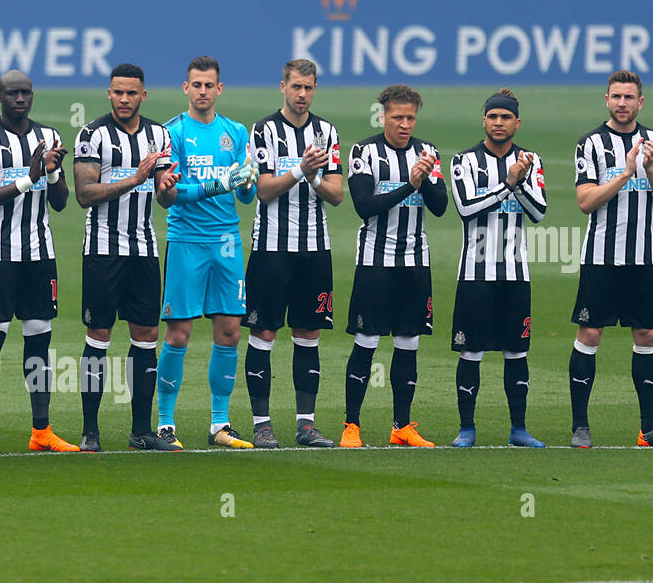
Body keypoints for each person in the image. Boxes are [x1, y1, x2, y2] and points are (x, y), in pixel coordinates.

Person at [0, 70, 77, 454]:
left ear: (33, 96)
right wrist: (28, 179)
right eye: (12, 93)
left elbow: (61, 202)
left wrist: (53, 170)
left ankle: (41, 431)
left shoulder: (48, 138)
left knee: (39, 342)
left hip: (38, 254)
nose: (20, 99)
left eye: (25, 93)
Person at [569, 69, 653, 448]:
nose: (622, 103)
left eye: (628, 97)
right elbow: (585, 202)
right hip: (601, 257)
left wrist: (648, 167)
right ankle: (580, 426)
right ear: (606, 100)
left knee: (647, 333)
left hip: (644, 257)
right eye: (616, 96)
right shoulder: (590, 144)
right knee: (590, 332)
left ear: (640, 102)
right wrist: (625, 172)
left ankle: (649, 428)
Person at [72, 62, 178, 452]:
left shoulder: (159, 134)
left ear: (143, 95)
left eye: (131, 93)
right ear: (109, 93)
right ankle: (90, 430)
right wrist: (135, 178)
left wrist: (165, 185)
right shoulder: (92, 134)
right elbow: (85, 194)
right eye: (117, 92)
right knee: (99, 335)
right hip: (103, 249)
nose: (123, 99)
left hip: (144, 250)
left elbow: (166, 197)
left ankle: (141, 431)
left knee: (147, 337)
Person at [154, 56, 259, 449]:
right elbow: (169, 195)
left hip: (227, 241)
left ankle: (220, 424)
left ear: (219, 89)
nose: (202, 91)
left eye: (208, 85)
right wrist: (217, 184)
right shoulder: (172, 133)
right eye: (195, 85)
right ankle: (166, 424)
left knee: (230, 330)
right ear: (186, 88)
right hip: (186, 241)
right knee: (179, 333)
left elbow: (246, 193)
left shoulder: (235, 132)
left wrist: (246, 182)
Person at [341, 84, 448, 448]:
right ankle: (351, 425)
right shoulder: (364, 152)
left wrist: (426, 182)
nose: (404, 124)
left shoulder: (428, 151)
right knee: (367, 340)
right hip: (375, 261)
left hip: (415, 261)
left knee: (408, 341)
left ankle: (401, 426)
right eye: (397, 117)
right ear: (383, 115)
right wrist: (410, 184)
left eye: (410, 118)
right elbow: (364, 205)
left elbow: (439, 207)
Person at [245, 58, 343, 449]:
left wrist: (315, 176)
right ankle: (262, 423)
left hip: (314, 249)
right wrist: (301, 171)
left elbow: (336, 195)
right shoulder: (265, 130)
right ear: (282, 86)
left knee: (308, 333)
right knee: (263, 331)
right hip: (271, 249)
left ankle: (307, 425)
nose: (302, 95)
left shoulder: (327, 132)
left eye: (309, 88)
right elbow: (263, 190)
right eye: (296, 87)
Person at [449, 89, 548, 448]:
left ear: (517, 123)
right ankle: (466, 429)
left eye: (506, 117)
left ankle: (518, 429)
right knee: (471, 351)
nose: (499, 123)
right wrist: (508, 183)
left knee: (516, 351)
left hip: (515, 273)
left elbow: (538, 212)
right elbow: (466, 208)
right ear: (484, 120)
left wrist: (519, 183)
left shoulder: (531, 162)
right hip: (475, 272)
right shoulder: (463, 161)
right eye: (493, 116)